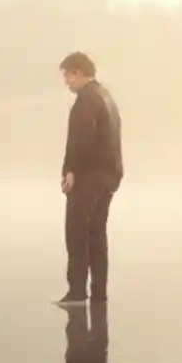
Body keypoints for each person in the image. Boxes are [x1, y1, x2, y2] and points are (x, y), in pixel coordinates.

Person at [56, 52, 123, 308]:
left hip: (89, 176)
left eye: (67, 76)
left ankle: (76, 292)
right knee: (97, 233)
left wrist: (71, 170)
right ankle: (98, 292)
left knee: (76, 231)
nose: (66, 83)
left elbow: (80, 139)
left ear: (77, 72)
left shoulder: (87, 100)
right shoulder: (106, 97)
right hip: (108, 175)